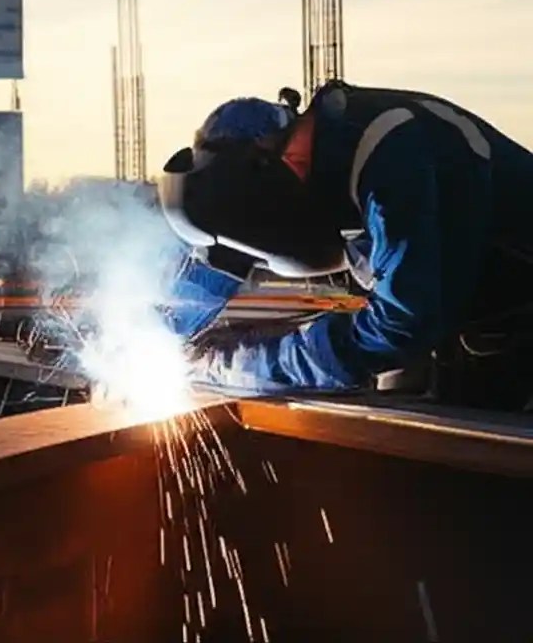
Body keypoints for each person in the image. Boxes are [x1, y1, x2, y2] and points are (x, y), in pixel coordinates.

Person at [159, 80, 533, 410]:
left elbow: (400, 325)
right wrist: (155, 334)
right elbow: (222, 262)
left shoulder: (391, 157)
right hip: (460, 308)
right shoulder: (293, 162)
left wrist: (247, 367)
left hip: (515, 313)